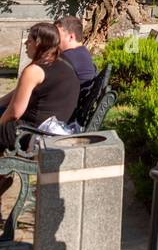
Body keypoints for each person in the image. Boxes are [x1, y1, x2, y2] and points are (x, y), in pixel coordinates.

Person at [0, 24, 80, 183]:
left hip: (33, 133)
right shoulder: (60, 61)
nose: (25, 44)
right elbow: (18, 92)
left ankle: (4, 175)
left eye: (28, 40)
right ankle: (4, 176)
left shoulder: (34, 70)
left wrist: (0, 123)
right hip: (53, 128)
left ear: (38, 42)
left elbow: (15, 111)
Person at [55, 15, 97, 84]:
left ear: (71, 37)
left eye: (57, 36)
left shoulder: (68, 58)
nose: (55, 40)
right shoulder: (82, 53)